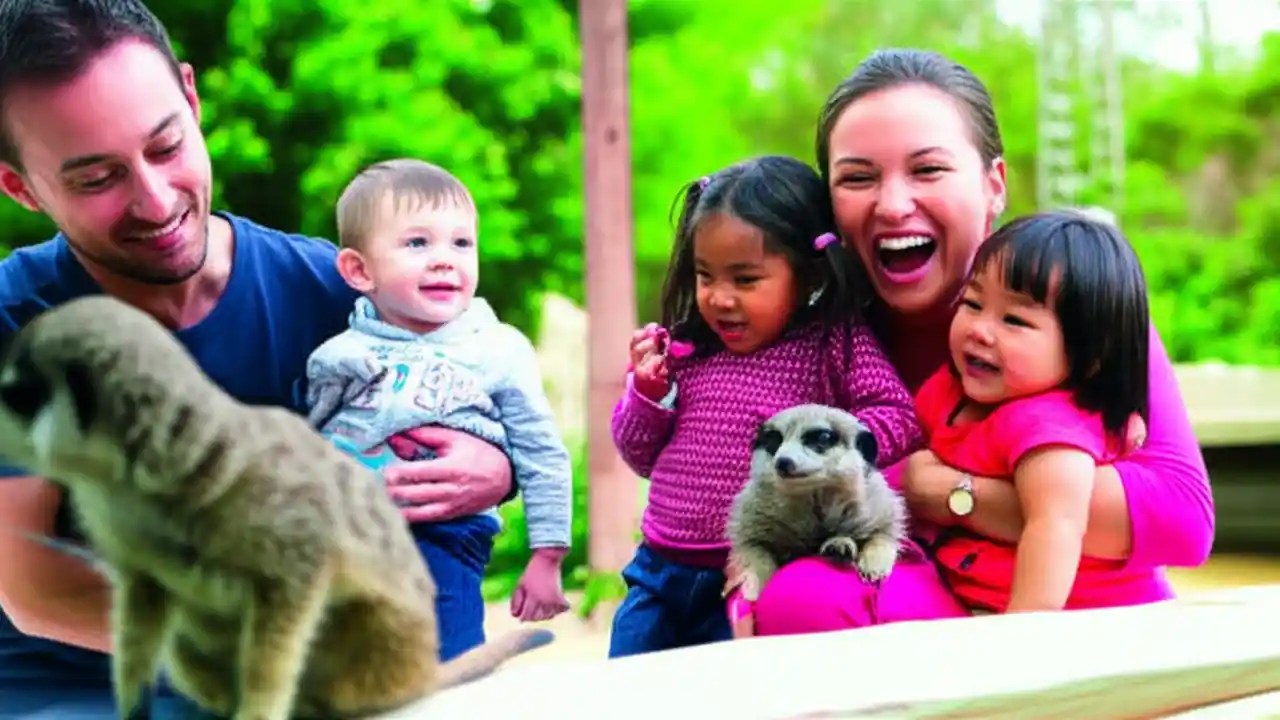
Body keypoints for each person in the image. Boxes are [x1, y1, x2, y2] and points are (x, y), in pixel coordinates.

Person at [0, 1, 514, 717]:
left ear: (190, 94)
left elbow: (478, 438)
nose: (154, 200)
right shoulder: (16, 325)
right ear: (21, 187)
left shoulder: (340, 296)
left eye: (166, 146)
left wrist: (495, 465)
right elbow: (35, 591)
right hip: (82, 684)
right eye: (97, 179)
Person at [728, 48, 1213, 636]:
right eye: (858, 177)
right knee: (804, 597)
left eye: (928, 169)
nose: (894, 203)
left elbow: (1180, 522)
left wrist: (937, 490)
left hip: (1078, 623)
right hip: (922, 597)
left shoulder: (1073, 305)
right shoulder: (812, 340)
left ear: (994, 185)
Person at [608, 154, 926, 657]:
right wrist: (647, 396)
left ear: (806, 275)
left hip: (751, 565)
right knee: (627, 691)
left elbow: (896, 415)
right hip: (657, 571)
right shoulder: (689, 351)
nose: (719, 298)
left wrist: (835, 447)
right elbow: (639, 455)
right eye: (705, 275)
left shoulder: (830, 343)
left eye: (746, 279)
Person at [305, 158, 573, 659]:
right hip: (345, 536)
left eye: (461, 243)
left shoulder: (496, 348)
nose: (445, 259)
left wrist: (547, 555)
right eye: (417, 243)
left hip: (445, 532)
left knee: (444, 664)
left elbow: (541, 449)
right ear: (359, 270)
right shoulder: (340, 353)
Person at [919, 210, 1169, 614]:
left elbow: (1056, 528)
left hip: (1089, 628)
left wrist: (1023, 646)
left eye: (1014, 319)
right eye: (973, 302)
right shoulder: (950, 390)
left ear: (1090, 354)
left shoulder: (1049, 431)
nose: (980, 329)